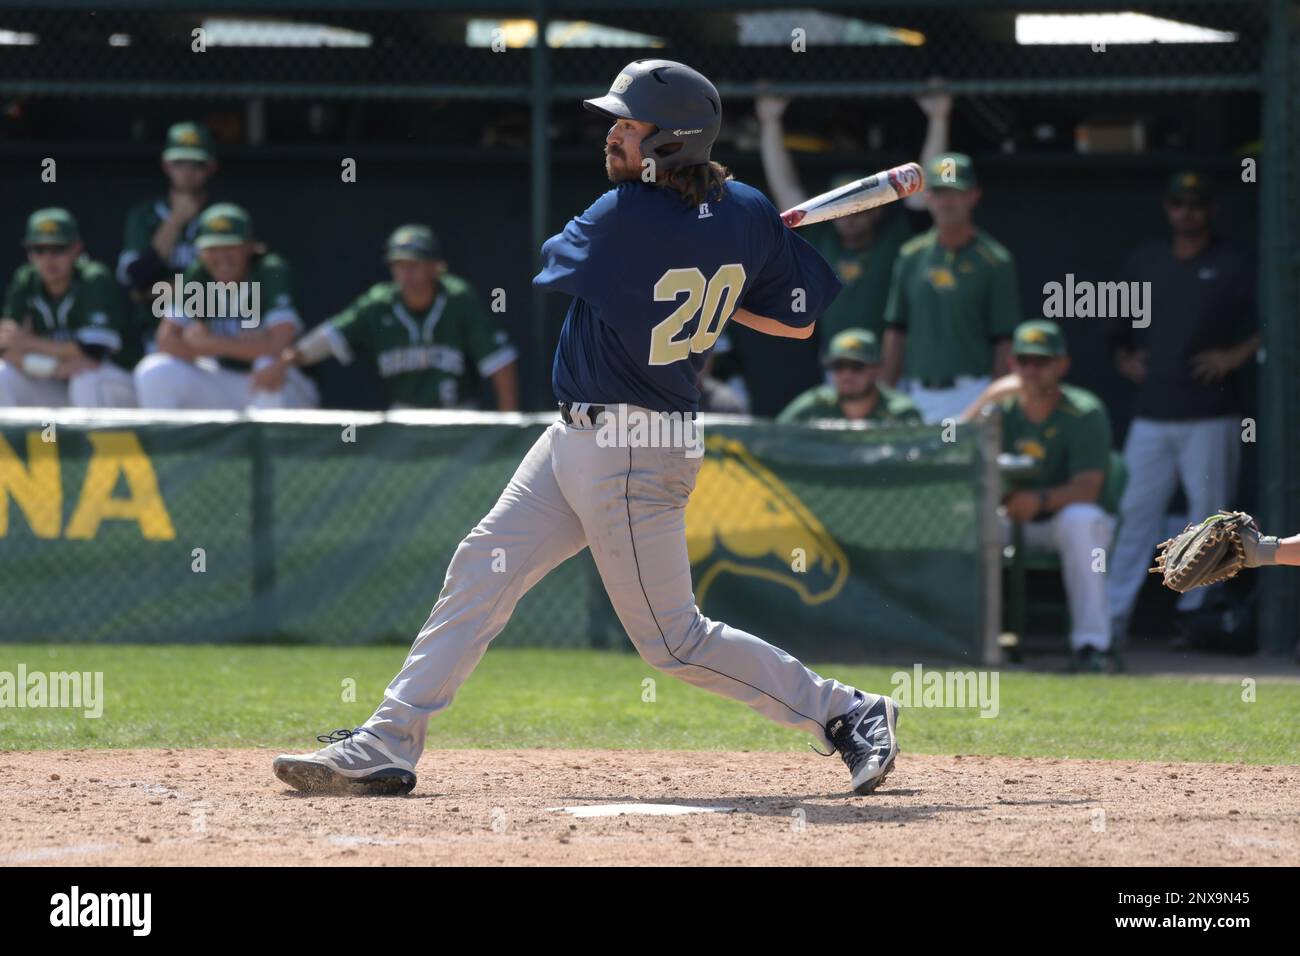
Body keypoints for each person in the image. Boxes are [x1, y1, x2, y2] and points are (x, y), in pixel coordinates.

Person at [273, 58, 900, 798]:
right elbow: (797, 320)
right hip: (577, 439)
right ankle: (390, 739)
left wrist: (699, 255)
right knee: (483, 566)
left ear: (671, 142)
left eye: (629, 126)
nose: (612, 136)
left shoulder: (623, 216)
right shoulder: (749, 212)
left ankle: (848, 712)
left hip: (637, 447)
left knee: (673, 641)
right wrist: (725, 261)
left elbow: (562, 265)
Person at [1105, 171, 1259, 645]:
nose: (1186, 212)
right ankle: (1108, 620)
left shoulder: (1234, 262)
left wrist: (1235, 355)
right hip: (1153, 411)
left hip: (1211, 412)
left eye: (1195, 203)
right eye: (1178, 203)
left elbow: (1273, 317)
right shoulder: (1146, 259)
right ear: (1167, 208)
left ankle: (1197, 618)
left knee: (1211, 519)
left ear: (1210, 209)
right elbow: (1117, 325)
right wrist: (1123, 358)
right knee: (1132, 513)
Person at [962, 321, 1119, 672]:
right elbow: (954, 448)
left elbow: (1088, 487)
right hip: (1014, 518)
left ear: (1062, 365)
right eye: (1023, 361)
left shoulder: (1084, 410)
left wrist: (1040, 501)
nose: (1030, 370)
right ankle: (973, 644)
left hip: (1068, 521)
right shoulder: (1000, 408)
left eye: (1041, 361)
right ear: (1011, 364)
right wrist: (987, 396)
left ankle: (1092, 647)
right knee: (962, 521)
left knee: (1081, 521)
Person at [254, 224, 519, 410]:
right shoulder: (380, 303)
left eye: (414, 265)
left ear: (436, 267)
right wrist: (286, 360)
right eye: (399, 265)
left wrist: (508, 425)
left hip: (459, 415)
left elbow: (500, 362)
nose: (406, 274)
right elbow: (330, 336)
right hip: (404, 416)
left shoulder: (458, 299)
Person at [754, 94, 936, 344]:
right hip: (836, 365)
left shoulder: (895, 239)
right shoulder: (822, 237)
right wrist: (770, 122)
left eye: (859, 211)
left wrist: (939, 118)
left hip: (891, 365)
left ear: (877, 210)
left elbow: (921, 194)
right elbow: (786, 190)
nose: (849, 219)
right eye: (843, 212)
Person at [134, 203, 319, 409]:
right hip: (228, 379)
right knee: (155, 371)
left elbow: (280, 346)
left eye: (230, 246)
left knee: (266, 364)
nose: (222, 257)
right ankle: (168, 442)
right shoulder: (199, 274)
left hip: (287, 386)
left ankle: (274, 442)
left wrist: (212, 343)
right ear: (201, 251)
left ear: (250, 246)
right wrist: (245, 346)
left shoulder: (269, 270)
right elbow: (166, 341)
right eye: (212, 248)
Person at [882, 152, 1021, 423]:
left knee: (963, 465)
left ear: (973, 195)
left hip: (970, 391)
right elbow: (896, 329)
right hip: (916, 392)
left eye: (955, 192)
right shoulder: (910, 255)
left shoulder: (995, 261)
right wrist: (887, 393)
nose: (947, 201)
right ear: (927, 197)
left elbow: (1004, 338)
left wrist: (994, 400)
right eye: (940, 192)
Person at [0, 208, 136, 407]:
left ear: (76, 248)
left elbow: (92, 351)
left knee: (85, 378)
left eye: (58, 249)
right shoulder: (26, 280)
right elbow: (5, 347)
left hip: (115, 382)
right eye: (39, 250)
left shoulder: (93, 279)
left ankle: (92, 440)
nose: (48, 259)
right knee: (3, 373)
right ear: (29, 253)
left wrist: (27, 342)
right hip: (57, 377)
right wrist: (51, 367)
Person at [117, 121, 218, 358]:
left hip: (213, 334)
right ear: (166, 165)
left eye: (197, 164)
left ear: (211, 167)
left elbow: (235, 288)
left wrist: (159, 289)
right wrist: (175, 220)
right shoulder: (145, 216)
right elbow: (136, 280)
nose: (187, 172)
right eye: (179, 163)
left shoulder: (223, 217)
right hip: (154, 334)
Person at [777, 328, 921, 425]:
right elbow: (775, 436)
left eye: (857, 366)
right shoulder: (813, 407)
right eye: (838, 366)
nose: (847, 374)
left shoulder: (901, 413)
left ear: (876, 369)